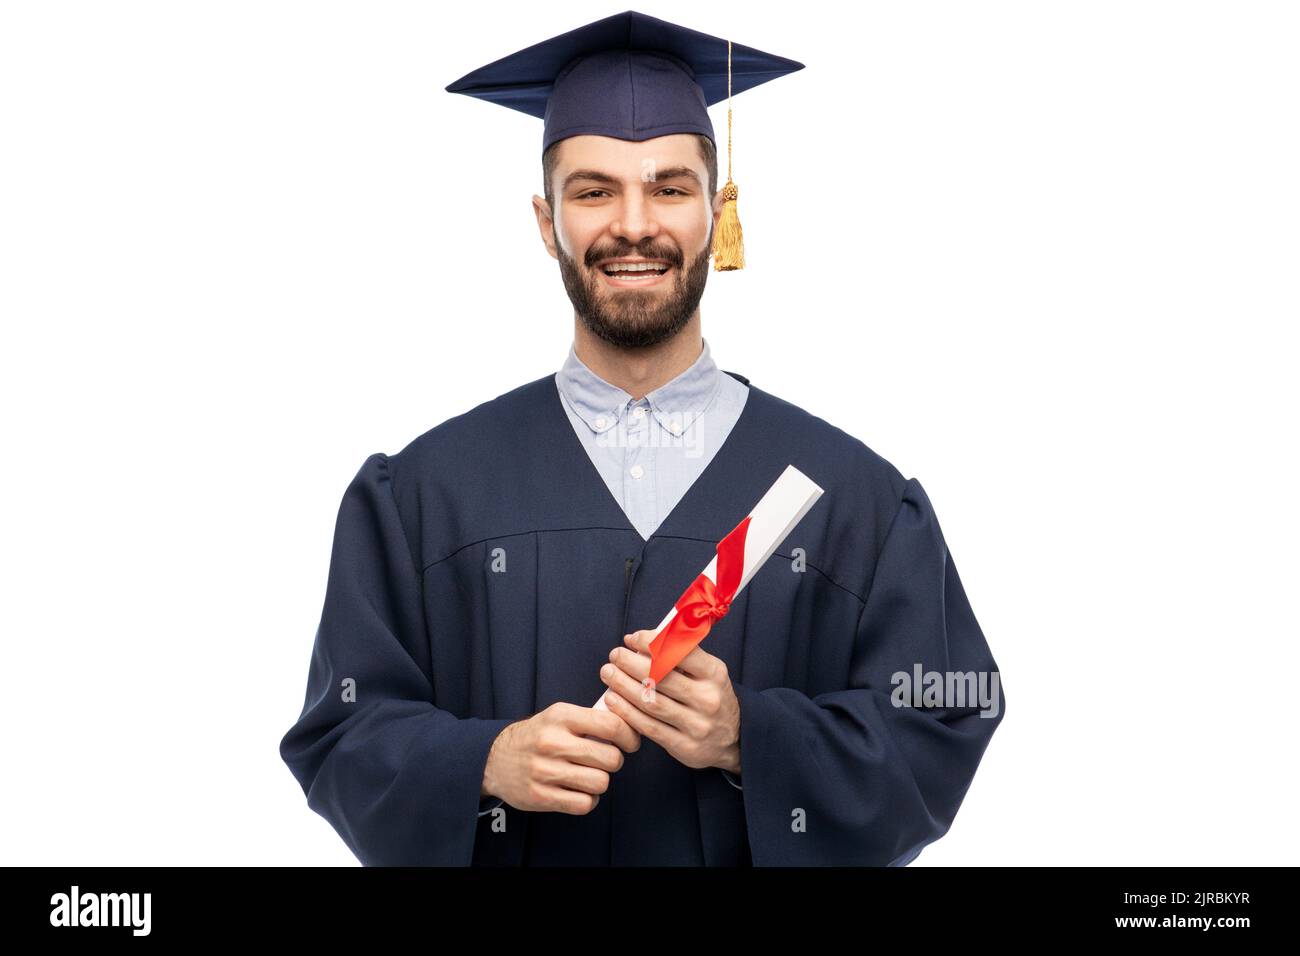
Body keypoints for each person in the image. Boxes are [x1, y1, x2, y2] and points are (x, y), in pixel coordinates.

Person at [279, 10, 1005, 866]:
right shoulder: (423, 497)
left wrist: (753, 738)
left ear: (715, 212)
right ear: (547, 223)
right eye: (593, 191)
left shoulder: (858, 500)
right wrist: (480, 764)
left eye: (669, 187)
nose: (633, 225)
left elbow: (948, 714)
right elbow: (339, 735)